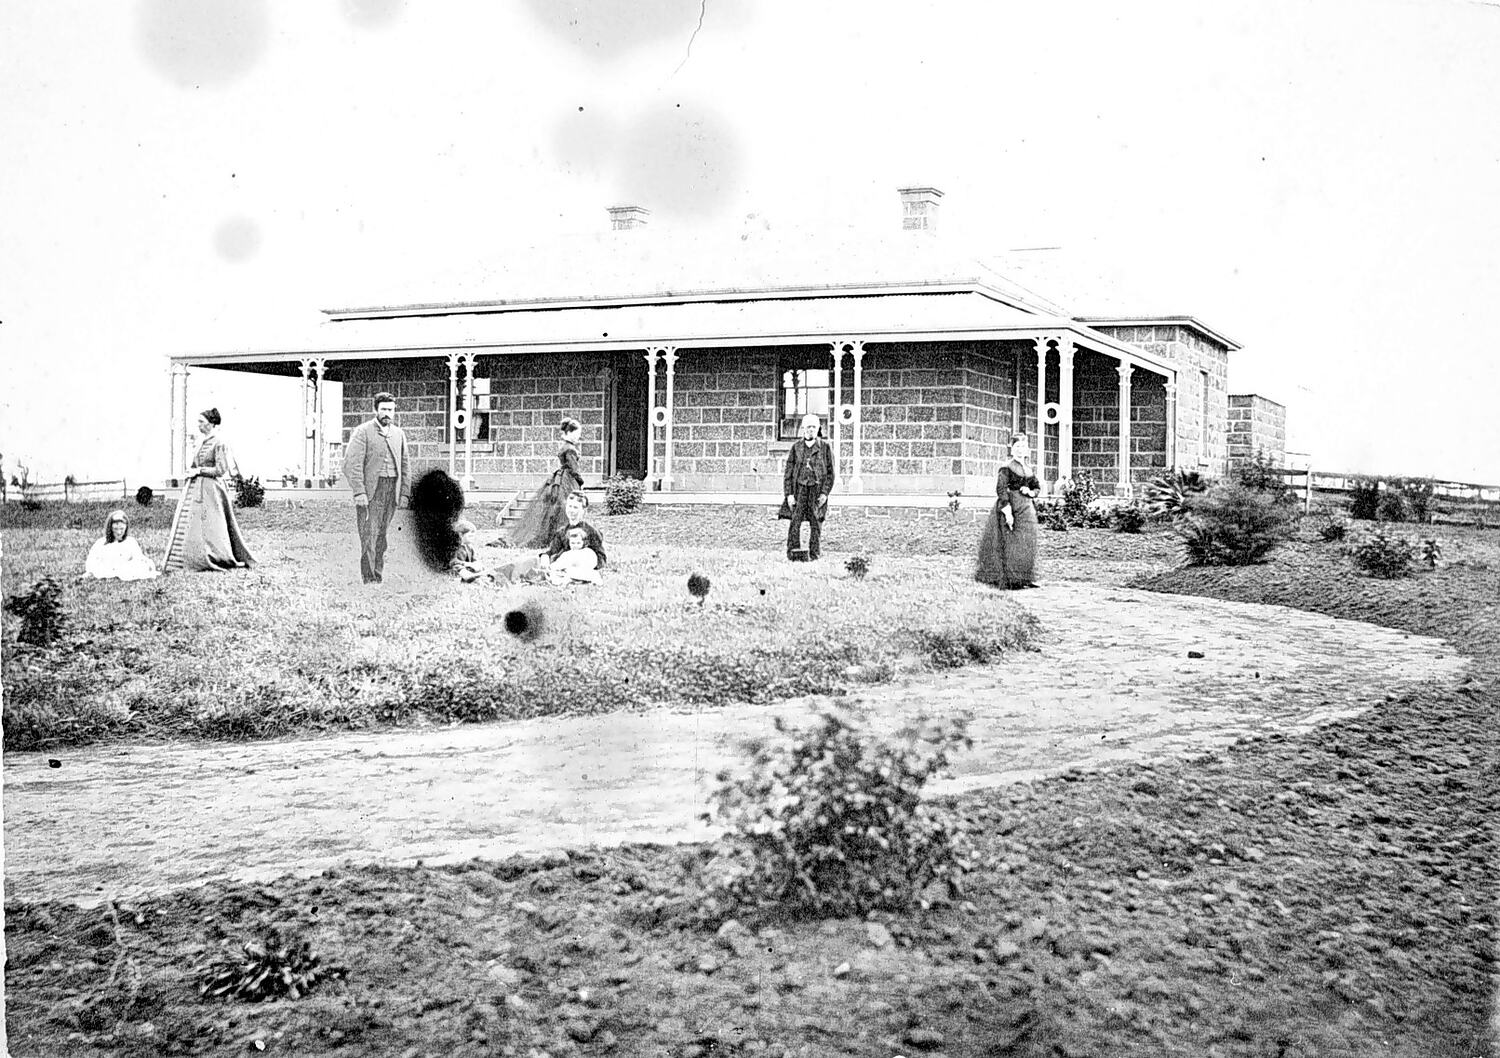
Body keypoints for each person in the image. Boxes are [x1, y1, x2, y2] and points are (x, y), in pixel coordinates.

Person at [164, 408, 255, 573]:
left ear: (212, 423)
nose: (199, 425)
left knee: (213, 526)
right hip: (196, 488)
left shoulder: (219, 442)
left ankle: (218, 556)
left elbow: (221, 469)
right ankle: (194, 556)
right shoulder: (201, 442)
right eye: (198, 421)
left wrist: (200, 470)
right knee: (194, 525)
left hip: (211, 490)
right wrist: (192, 471)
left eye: (202, 422)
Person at [344, 392, 410, 584]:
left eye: (390, 409)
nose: (387, 413)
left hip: (392, 490)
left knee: (382, 535)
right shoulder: (363, 431)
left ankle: (378, 575)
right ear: (376, 410)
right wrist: (359, 492)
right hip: (371, 491)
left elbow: (405, 465)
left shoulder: (399, 434)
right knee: (369, 534)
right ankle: (369, 577)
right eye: (383, 409)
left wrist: (404, 493)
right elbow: (352, 464)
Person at [508, 417, 586, 549]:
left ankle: (559, 536)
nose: (578, 436)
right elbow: (574, 469)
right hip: (568, 480)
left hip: (561, 478)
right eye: (577, 433)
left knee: (557, 508)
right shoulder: (570, 449)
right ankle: (564, 536)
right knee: (565, 507)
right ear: (569, 433)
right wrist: (581, 482)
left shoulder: (565, 446)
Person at [975, 432, 1041, 589]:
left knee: (1027, 541)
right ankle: (1012, 579)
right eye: (1017, 446)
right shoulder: (1007, 468)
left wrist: (1030, 492)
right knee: (1012, 542)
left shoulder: (1028, 469)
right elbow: (1001, 489)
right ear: (1012, 448)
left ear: (1027, 449)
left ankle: (1024, 577)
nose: (1020, 449)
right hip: (1012, 507)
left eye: (1023, 446)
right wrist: (1007, 511)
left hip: (1027, 510)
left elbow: (1037, 487)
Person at [782, 413, 835, 561]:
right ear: (803, 428)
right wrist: (789, 494)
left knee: (816, 521)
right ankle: (793, 553)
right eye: (808, 427)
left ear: (818, 428)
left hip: (816, 491)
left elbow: (830, 473)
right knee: (795, 521)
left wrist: (824, 493)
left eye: (813, 427)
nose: (811, 430)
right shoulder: (796, 447)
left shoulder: (825, 447)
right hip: (799, 490)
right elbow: (788, 473)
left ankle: (814, 554)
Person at [85, 510, 158, 581]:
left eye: (122, 529)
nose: (119, 532)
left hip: (126, 568)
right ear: (110, 529)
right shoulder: (101, 543)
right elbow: (92, 562)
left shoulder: (130, 542)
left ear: (126, 528)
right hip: (107, 568)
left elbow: (138, 557)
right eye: (115, 529)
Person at [544, 491, 606, 568]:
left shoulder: (591, 531)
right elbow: (553, 550)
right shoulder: (562, 532)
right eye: (570, 506)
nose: (571, 511)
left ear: (583, 510)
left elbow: (601, 558)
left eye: (575, 507)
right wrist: (545, 556)